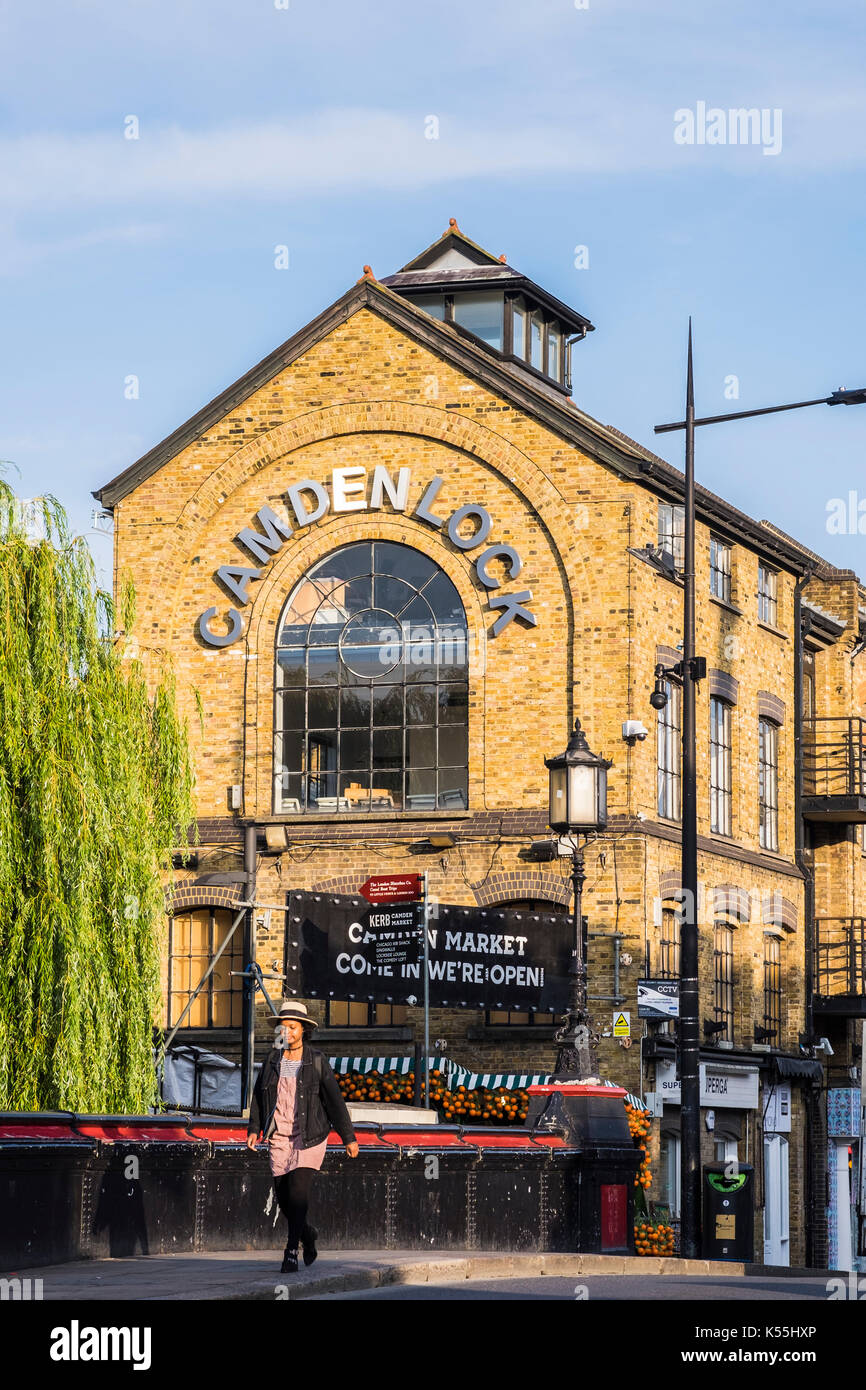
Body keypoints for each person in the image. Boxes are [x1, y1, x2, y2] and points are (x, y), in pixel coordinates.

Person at [246, 1001, 359, 1273]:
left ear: (304, 1030)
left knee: (298, 1192)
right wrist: (253, 1128)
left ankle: (290, 1251)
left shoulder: (317, 1060)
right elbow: (259, 1097)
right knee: (284, 1198)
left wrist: (348, 1137)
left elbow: (334, 1102)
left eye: (293, 1027)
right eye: (284, 1027)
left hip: (310, 1136)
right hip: (279, 1136)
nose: (288, 1032)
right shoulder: (273, 1060)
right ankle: (307, 1235)